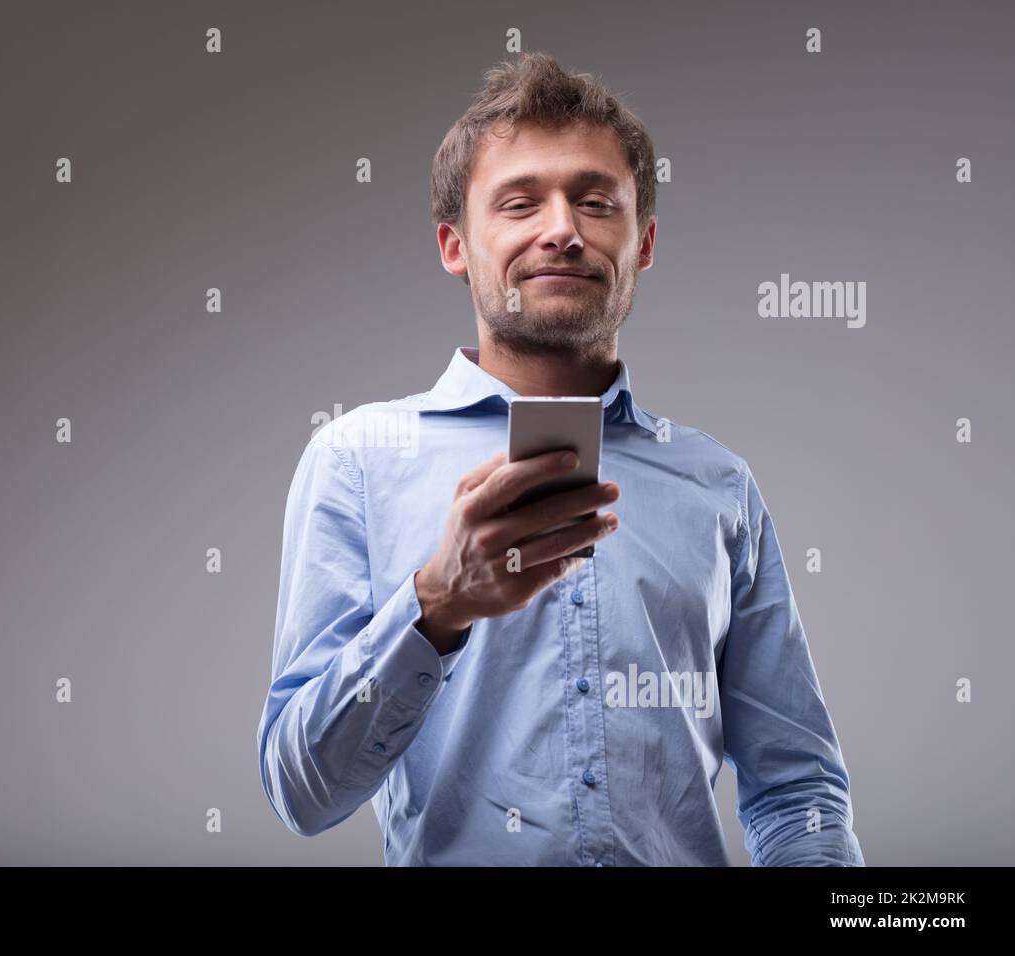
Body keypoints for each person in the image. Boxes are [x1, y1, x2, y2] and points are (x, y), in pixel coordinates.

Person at [256, 52, 864, 866]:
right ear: (455, 246)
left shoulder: (719, 486)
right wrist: (436, 605)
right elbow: (302, 792)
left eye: (594, 201)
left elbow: (797, 791)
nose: (563, 230)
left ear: (642, 243)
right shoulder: (356, 461)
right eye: (518, 203)